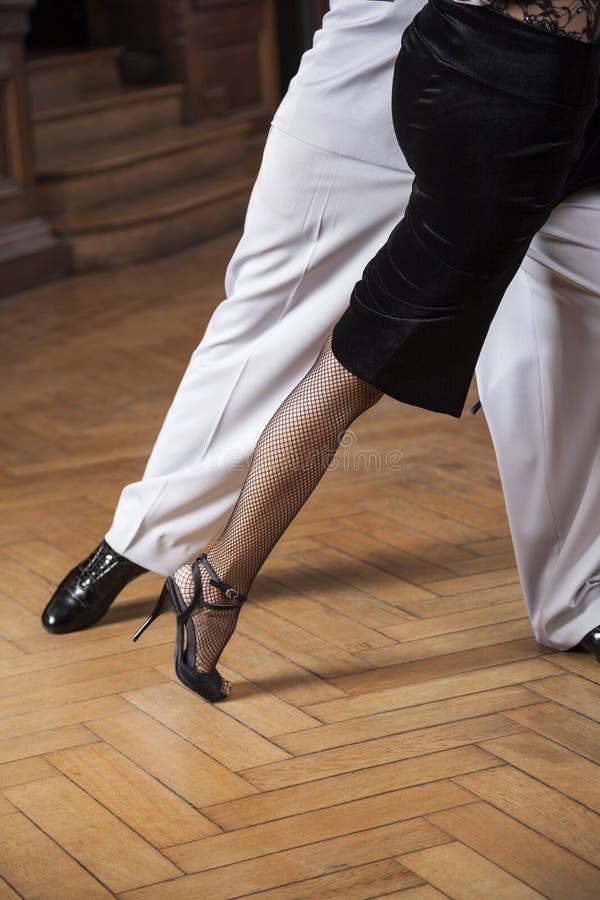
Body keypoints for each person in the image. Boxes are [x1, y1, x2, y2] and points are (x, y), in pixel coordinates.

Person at [42, 0, 600, 694]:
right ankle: (158, 544)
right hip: (438, 71)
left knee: (564, 319)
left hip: (561, 88)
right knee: (287, 328)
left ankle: (577, 594)